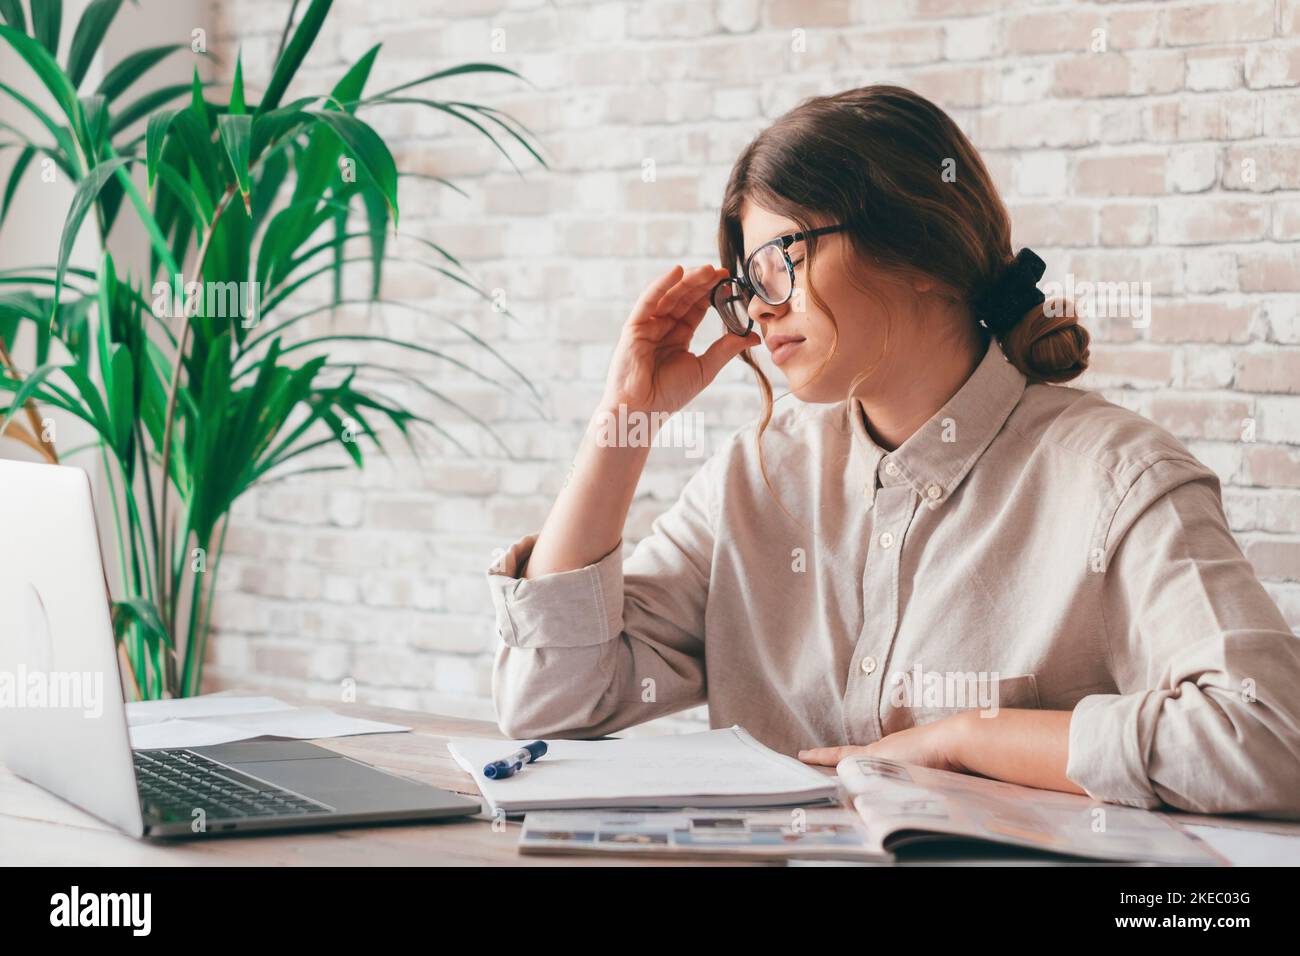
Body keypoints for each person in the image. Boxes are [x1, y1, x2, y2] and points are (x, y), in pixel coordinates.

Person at [485, 85, 1300, 818]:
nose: (760, 310)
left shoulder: (1116, 479)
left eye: (780, 262)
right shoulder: (754, 476)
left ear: (919, 251)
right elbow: (548, 703)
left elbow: (1269, 737)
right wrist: (625, 420)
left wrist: (968, 739)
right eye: (747, 283)